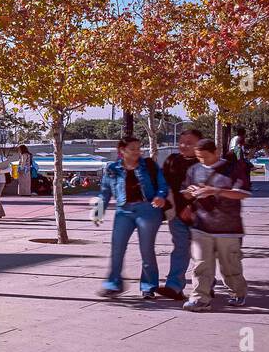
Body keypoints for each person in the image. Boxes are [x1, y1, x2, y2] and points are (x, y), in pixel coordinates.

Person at [95, 135, 169, 299]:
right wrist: (98, 212)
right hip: (124, 211)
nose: (137, 151)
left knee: (146, 250)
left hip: (148, 210)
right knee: (117, 248)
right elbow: (105, 193)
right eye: (133, 148)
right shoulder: (112, 169)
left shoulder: (149, 165)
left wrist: (161, 196)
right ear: (122, 150)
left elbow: (163, 184)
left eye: (138, 148)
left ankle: (148, 287)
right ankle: (114, 284)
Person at [181, 137, 251, 311]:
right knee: (200, 264)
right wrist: (189, 193)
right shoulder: (194, 169)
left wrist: (215, 191)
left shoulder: (234, 168)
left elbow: (243, 193)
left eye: (205, 156)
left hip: (228, 227)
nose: (202, 161)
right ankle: (199, 299)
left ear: (216, 152)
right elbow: (185, 191)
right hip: (201, 225)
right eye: (199, 157)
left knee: (230, 266)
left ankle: (237, 292)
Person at [158, 128, 201, 301]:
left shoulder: (205, 163)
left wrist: (193, 207)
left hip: (202, 217)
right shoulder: (172, 160)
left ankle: (206, 286)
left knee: (202, 254)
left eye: (189, 143)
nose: (184, 146)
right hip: (176, 215)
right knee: (180, 249)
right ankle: (174, 287)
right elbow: (163, 183)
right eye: (181, 142)